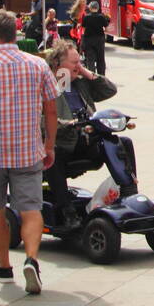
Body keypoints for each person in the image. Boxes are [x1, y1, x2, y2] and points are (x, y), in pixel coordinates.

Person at [0, 9, 59, 295]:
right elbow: (52, 108)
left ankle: (4, 265)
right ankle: (31, 258)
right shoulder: (37, 65)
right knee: (31, 208)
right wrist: (49, 144)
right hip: (28, 151)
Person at [42, 39, 117, 224]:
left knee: (120, 144)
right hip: (63, 143)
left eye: (80, 62)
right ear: (58, 65)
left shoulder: (80, 82)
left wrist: (85, 72)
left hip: (85, 139)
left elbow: (110, 90)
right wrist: (70, 123)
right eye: (74, 63)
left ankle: (129, 190)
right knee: (53, 157)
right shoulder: (47, 86)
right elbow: (43, 121)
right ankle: (66, 211)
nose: (79, 66)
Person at [80, 1, 110, 76]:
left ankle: (92, 77)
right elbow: (106, 28)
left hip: (89, 40)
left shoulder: (86, 17)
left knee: (90, 59)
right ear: (98, 7)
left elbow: (83, 28)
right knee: (101, 59)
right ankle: (101, 76)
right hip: (99, 39)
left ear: (90, 8)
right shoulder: (101, 17)